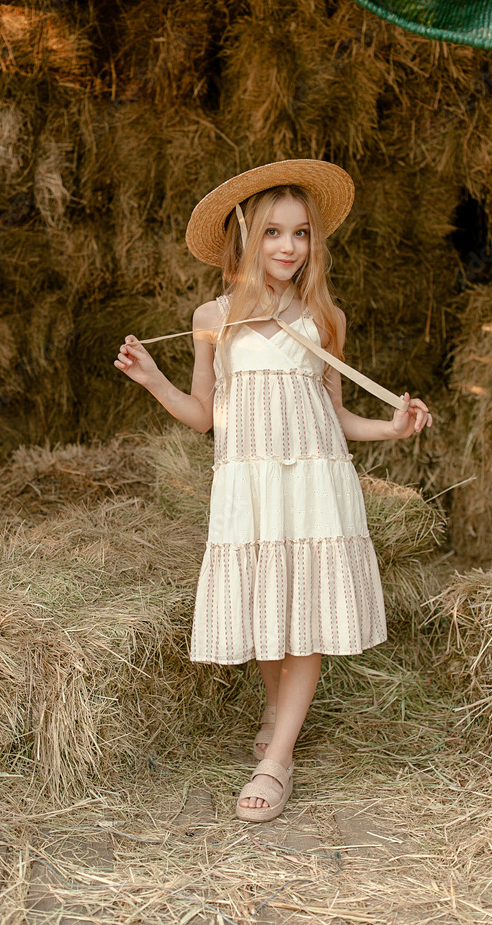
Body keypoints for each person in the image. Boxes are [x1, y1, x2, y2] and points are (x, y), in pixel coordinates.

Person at [114, 159, 432, 823]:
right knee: (266, 608)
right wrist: (152, 380)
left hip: (313, 479)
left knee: (304, 615)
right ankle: (275, 709)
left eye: (301, 233)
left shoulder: (323, 316)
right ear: (246, 236)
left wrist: (392, 427)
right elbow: (203, 414)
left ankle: (277, 759)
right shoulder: (213, 316)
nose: (289, 247)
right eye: (273, 232)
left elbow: (336, 415)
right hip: (249, 481)